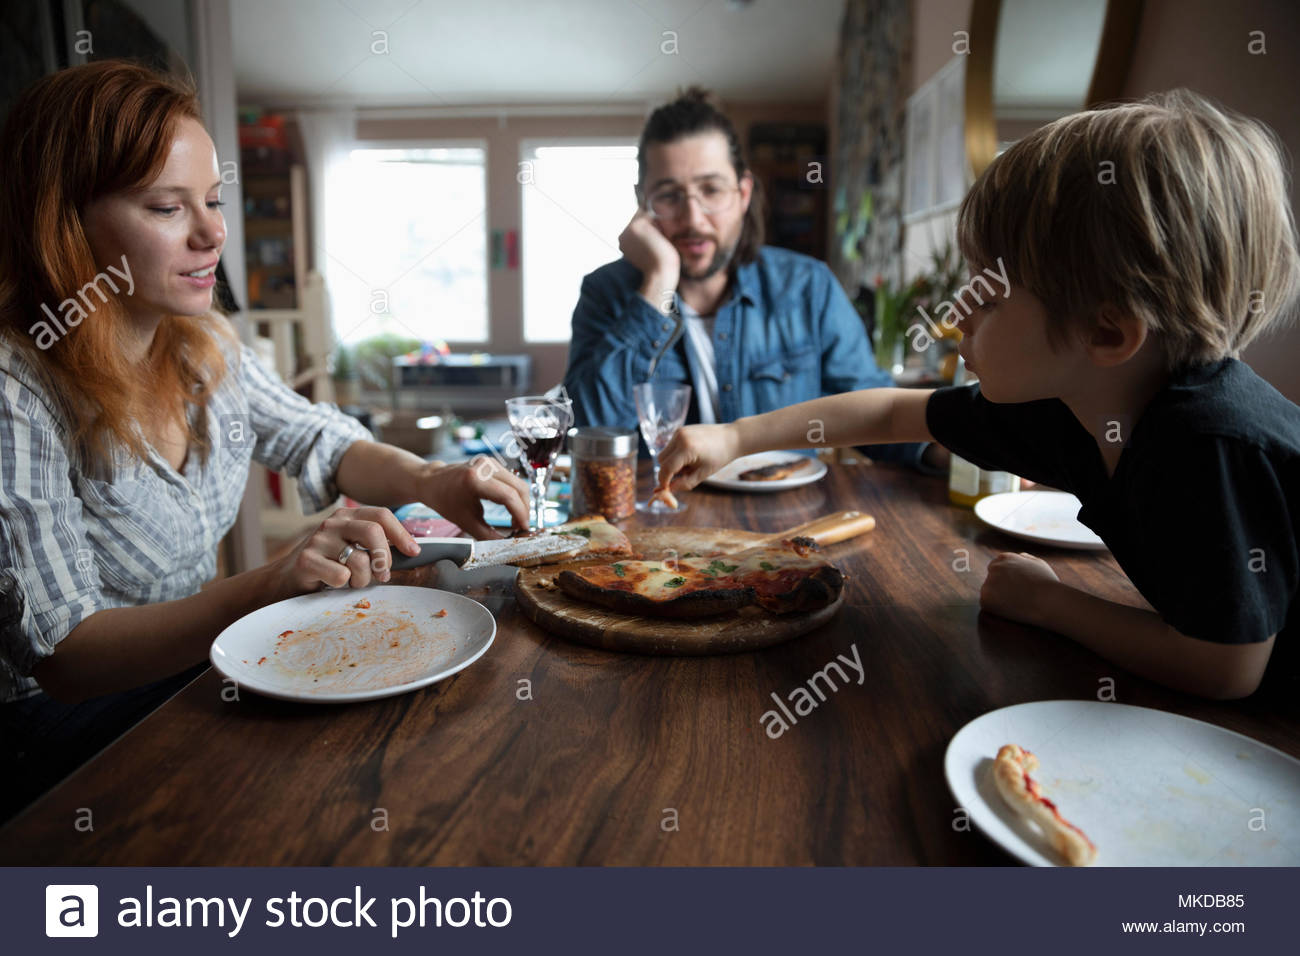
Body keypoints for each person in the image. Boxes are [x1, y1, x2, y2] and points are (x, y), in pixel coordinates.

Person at [0, 61, 529, 815]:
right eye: (165, 206)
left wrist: (429, 479)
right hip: (58, 739)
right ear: (65, 223)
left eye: (213, 200)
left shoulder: (204, 343)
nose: (214, 231)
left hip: (185, 675)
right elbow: (66, 657)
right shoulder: (16, 389)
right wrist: (266, 584)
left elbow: (322, 441)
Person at [654, 90, 1300, 700]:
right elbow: (887, 408)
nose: (959, 316)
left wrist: (1051, 603)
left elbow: (1224, 666)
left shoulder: (1211, 446)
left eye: (988, 300)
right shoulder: (1071, 406)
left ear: (1107, 331)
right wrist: (734, 437)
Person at [562, 86, 944, 471]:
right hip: (660, 520)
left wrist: (948, 450)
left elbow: (874, 413)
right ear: (642, 202)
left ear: (743, 193)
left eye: (711, 189)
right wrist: (658, 280)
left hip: (785, 516)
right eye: (669, 195)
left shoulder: (808, 287)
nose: (694, 218)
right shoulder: (605, 293)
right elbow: (588, 431)